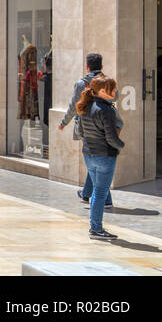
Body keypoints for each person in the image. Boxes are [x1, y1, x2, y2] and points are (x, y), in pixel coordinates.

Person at [59, 53, 111, 207]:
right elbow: (114, 100)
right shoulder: (107, 82)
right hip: (103, 126)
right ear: (101, 66)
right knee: (95, 160)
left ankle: (106, 199)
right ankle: (87, 193)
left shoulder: (81, 84)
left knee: (95, 162)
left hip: (86, 127)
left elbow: (73, 107)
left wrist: (64, 122)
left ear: (87, 67)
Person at [78, 76, 123, 240]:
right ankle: (96, 228)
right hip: (104, 155)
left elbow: (80, 132)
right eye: (113, 88)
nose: (115, 91)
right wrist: (121, 145)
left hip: (89, 153)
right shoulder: (106, 110)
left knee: (98, 190)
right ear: (103, 91)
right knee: (100, 192)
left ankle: (95, 227)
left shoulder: (86, 106)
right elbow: (111, 138)